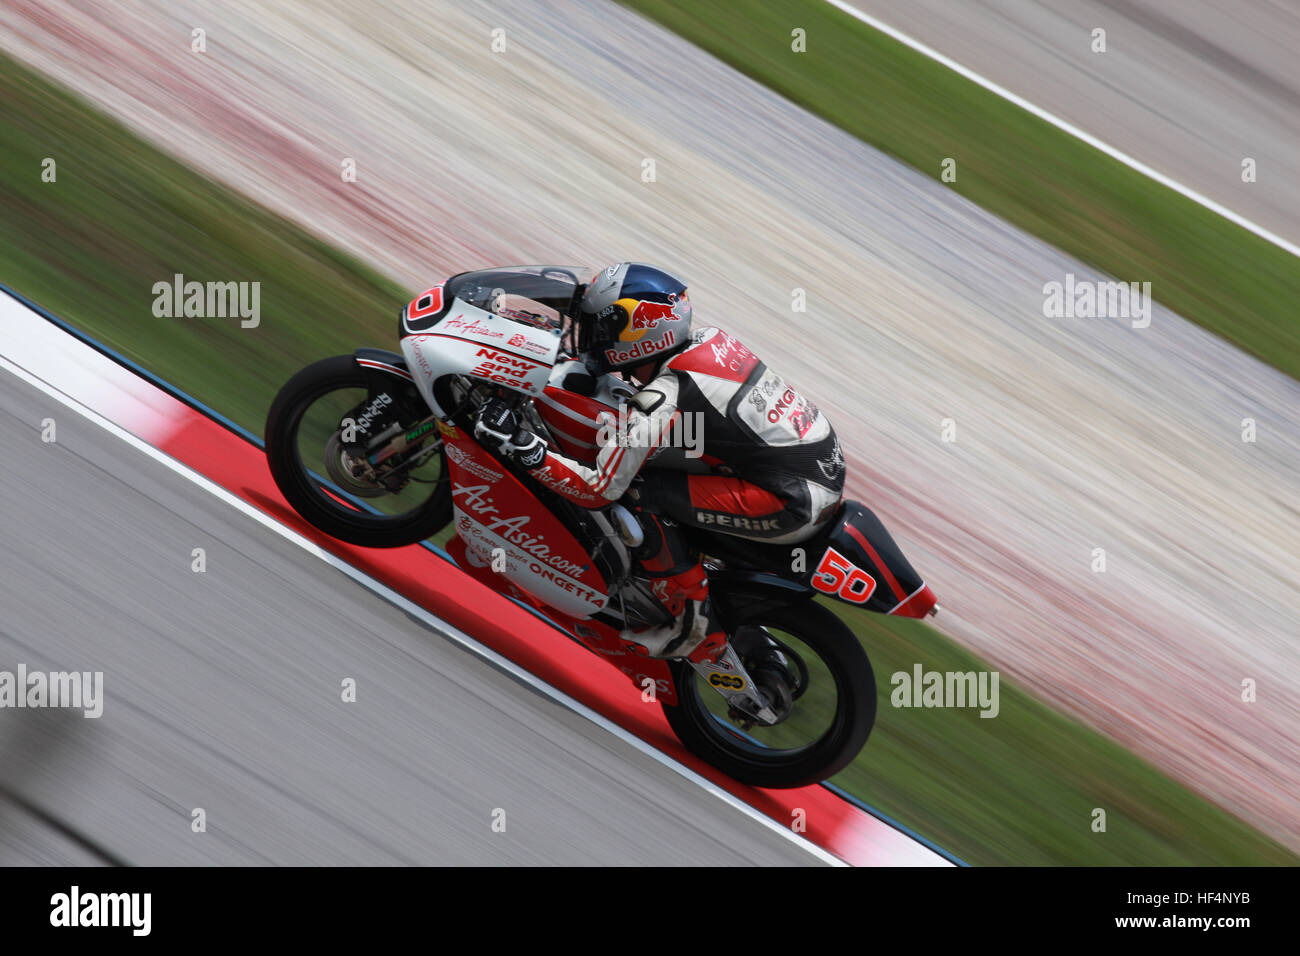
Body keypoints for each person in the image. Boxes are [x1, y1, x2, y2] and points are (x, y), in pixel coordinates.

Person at [475, 262, 845, 662]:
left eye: (603, 328)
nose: (593, 337)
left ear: (640, 334)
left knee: (640, 494)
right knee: (651, 469)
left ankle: (692, 625)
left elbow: (598, 489)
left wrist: (524, 447)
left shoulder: (665, 400)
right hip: (814, 459)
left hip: (794, 498)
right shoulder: (705, 339)